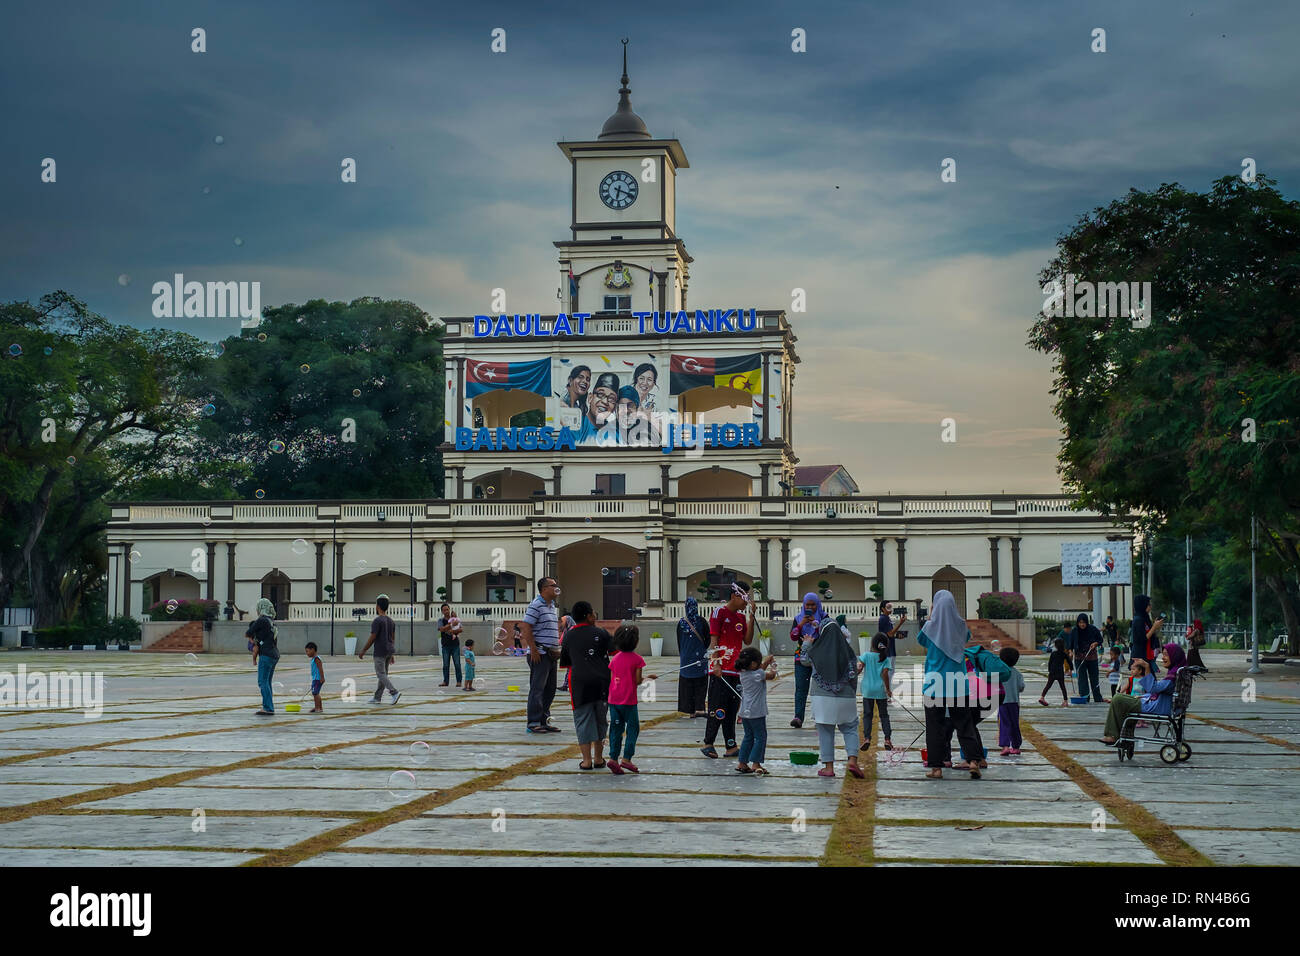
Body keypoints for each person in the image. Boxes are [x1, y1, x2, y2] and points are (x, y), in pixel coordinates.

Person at [917, 589, 983, 780]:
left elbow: (921, 641)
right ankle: (973, 761)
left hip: (934, 685)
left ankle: (936, 768)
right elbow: (966, 640)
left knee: (934, 727)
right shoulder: (961, 626)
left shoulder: (929, 627)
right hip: (957, 684)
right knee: (964, 724)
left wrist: (931, 617)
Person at [700, 581, 754, 759]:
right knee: (717, 708)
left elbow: (747, 640)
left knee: (731, 710)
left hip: (736, 670)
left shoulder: (740, 618)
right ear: (734, 595)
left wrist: (751, 619)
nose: (748, 601)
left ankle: (731, 746)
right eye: (745, 597)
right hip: (721, 669)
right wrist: (715, 663)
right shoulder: (719, 613)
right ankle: (708, 743)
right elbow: (713, 641)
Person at [807, 616, 865, 778]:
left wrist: (807, 644)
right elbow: (853, 676)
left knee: (825, 731)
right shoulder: (848, 652)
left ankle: (828, 767)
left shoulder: (816, 650)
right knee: (850, 728)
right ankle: (852, 760)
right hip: (846, 696)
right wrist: (851, 693)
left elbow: (804, 660)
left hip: (821, 697)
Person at [558, 601, 611, 769]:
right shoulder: (601, 633)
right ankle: (599, 759)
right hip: (602, 683)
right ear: (589, 616)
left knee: (583, 720)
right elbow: (616, 653)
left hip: (579, 684)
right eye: (594, 613)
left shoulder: (568, 636)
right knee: (601, 720)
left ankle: (586, 761)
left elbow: (566, 663)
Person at [1101, 644, 1185, 744]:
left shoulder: (1173, 676)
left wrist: (1147, 666)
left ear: (1174, 656)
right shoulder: (1177, 673)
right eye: (1163, 654)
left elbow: (1152, 688)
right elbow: (1154, 691)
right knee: (1119, 699)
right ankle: (1123, 735)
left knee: (1118, 698)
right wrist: (1142, 696)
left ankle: (1112, 735)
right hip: (1158, 704)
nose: (1163, 657)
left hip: (1157, 707)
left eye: (1166, 654)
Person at [608, 624, 654, 774]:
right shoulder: (637, 660)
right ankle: (627, 759)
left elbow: (612, 678)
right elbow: (637, 681)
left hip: (613, 701)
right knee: (633, 729)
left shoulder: (614, 659)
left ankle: (613, 758)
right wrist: (649, 678)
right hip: (629, 702)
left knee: (616, 729)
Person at [520, 577, 562, 733]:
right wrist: (534, 650)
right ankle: (533, 722)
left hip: (551, 654)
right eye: (553, 585)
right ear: (544, 589)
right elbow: (526, 627)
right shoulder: (536, 605)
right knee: (537, 688)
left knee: (550, 689)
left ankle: (544, 720)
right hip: (540, 653)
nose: (557, 588)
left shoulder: (551, 606)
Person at [735, 646, 776, 775]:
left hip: (745, 711)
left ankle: (742, 763)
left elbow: (758, 671)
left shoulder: (743, 674)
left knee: (748, 737)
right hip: (757, 712)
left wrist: (765, 663)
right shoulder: (758, 674)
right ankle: (756, 763)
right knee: (760, 737)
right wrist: (773, 666)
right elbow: (771, 676)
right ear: (753, 664)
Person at [789, 592, 827, 728]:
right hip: (801, 656)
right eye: (807, 605)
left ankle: (821, 716)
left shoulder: (824, 617)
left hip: (819, 656)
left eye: (813, 605)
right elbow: (793, 637)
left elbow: (829, 635)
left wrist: (817, 625)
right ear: (803, 605)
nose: (810, 607)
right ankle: (798, 717)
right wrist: (802, 624)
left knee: (821, 688)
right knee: (801, 688)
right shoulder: (798, 618)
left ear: (818, 605)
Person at [358, 595, 401, 704]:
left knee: (380, 674)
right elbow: (392, 637)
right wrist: (392, 653)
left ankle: (394, 692)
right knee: (383, 674)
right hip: (388, 650)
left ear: (377, 606)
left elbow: (373, 637)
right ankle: (377, 697)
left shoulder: (377, 621)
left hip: (380, 651)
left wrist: (364, 650)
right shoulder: (391, 621)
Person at [857, 634, 893, 751]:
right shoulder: (885, 659)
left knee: (867, 715)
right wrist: (888, 689)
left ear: (873, 644)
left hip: (868, 691)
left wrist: (851, 677)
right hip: (880, 691)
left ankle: (867, 738)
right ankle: (887, 739)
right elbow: (885, 674)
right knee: (884, 715)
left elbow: (859, 668)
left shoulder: (866, 655)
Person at [676, 597, 710, 717]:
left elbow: (679, 641)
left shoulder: (681, 623)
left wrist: (684, 653)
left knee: (687, 684)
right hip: (700, 657)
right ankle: (699, 708)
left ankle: (690, 711)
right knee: (701, 683)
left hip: (686, 658)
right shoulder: (701, 621)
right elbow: (708, 639)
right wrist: (700, 649)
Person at [247, 597, 279, 715]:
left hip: (266, 654)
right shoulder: (272, 621)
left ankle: (267, 708)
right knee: (267, 682)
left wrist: (253, 640)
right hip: (274, 654)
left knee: (262, 682)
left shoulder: (262, 620)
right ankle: (269, 706)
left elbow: (249, 632)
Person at [1070, 613, 1105, 702]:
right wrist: (1070, 652)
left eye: (1084, 622)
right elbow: (1070, 644)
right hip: (1079, 658)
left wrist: (1095, 643)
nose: (1082, 624)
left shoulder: (1093, 629)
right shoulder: (1075, 631)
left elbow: (1100, 640)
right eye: (1080, 622)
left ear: (1087, 622)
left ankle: (1097, 698)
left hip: (1092, 657)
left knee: (1094, 678)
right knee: (1082, 679)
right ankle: (1085, 698)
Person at [996, 646, 1024, 755]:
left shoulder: (999, 672)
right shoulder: (1018, 674)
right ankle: (1016, 747)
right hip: (1014, 703)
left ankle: (1005, 746)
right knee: (1014, 724)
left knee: (1004, 724)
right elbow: (1021, 687)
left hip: (1002, 702)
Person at [578, 373, 620, 445]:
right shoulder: (577, 426)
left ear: (614, 408)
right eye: (600, 394)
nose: (605, 402)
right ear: (590, 397)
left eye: (611, 398)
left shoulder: (615, 435)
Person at [1130, 595, 1165, 676]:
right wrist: (1154, 627)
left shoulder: (1144, 618)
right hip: (1140, 655)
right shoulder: (1138, 620)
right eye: (1148, 604)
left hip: (1147, 654)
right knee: (1144, 681)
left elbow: (1149, 635)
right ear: (1143, 605)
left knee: (1149, 681)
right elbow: (1142, 639)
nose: (1150, 606)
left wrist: (1155, 627)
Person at [1037, 637, 1072, 706]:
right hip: (1060, 672)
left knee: (1048, 685)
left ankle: (1042, 697)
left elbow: (1050, 662)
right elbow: (1069, 662)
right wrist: (1071, 670)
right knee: (1062, 687)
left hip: (1052, 672)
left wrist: (1049, 671)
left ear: (1055, 646)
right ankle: (1065, 701)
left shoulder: (1053, 653)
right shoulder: (1064, 654)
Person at [436, 603, 463, 688]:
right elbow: (441, 629)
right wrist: (451, 625)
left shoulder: (455, 619)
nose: (446, 611)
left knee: (457, 664)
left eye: (447, 609)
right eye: (444, 610)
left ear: (449, 609)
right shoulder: (441, 620)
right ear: (442, 611)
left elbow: (461, 629)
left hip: (455, 645)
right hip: (445, 645)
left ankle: (459, 681)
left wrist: (453, 631)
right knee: (446, 665)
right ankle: (445, 681)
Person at [306, 641, 325, 713]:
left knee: (315, 693)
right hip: (315, 679)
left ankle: (317, 708)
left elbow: (320, 668)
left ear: (313, 649)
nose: (307, 653)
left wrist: (322, 677)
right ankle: (319, 707)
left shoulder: (317, 659)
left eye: (307, 651)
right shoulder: (314, 659)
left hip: (317, 679)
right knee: (316, 693)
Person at [558, 613, 575, 692]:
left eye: (562, 621)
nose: (561, 623)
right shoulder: (566, 630)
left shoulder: (573, 629)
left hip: (573, 653)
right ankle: (565, 685)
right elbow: (561, 641)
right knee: (569, 670)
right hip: (568, 652)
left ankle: (568, 685)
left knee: (571, 670)